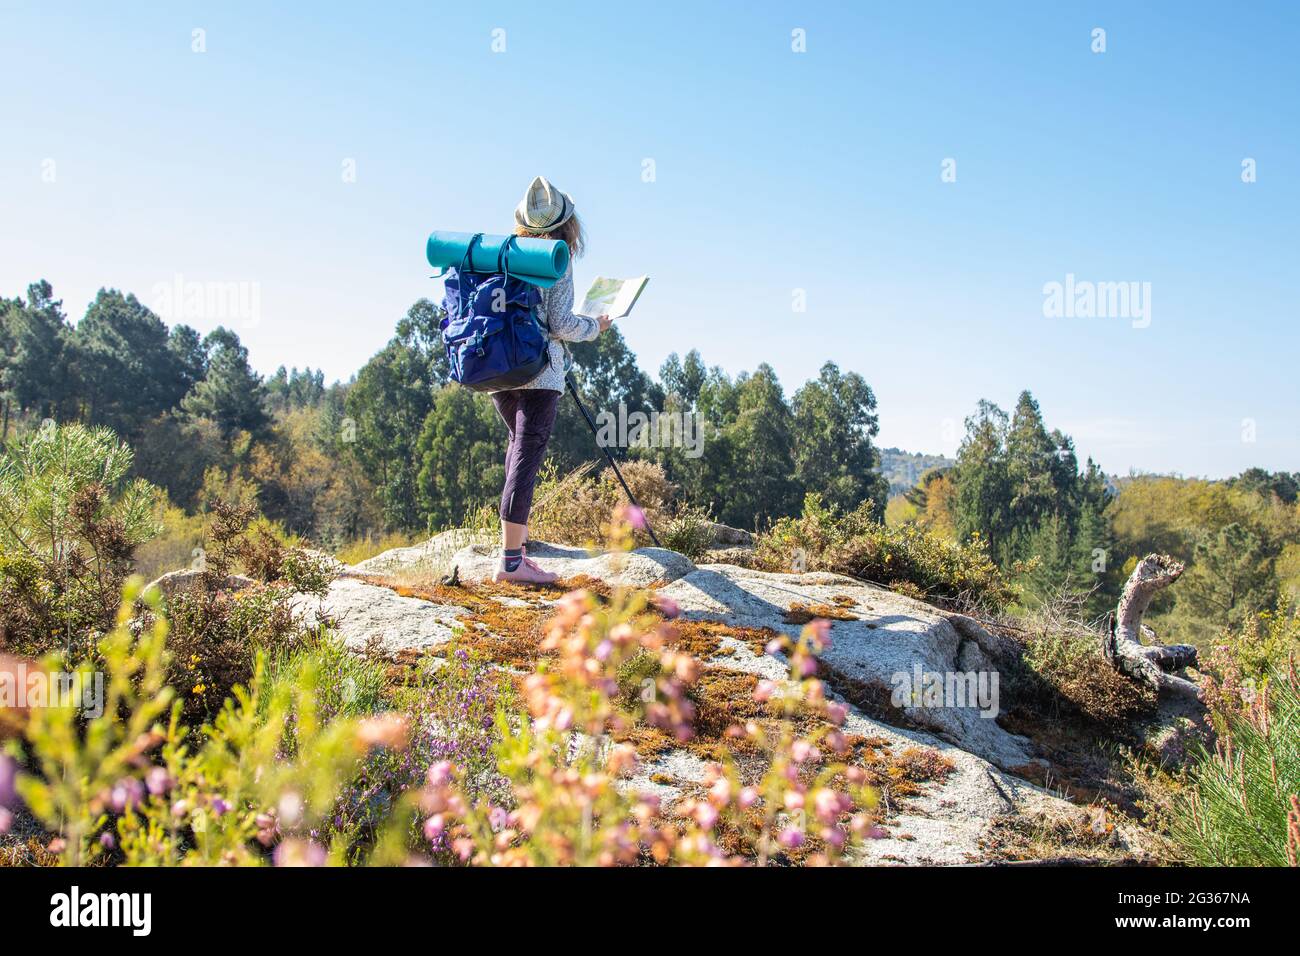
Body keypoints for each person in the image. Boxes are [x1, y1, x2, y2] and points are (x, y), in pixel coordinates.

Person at [489, 176, 611, 583]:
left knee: (516, 447)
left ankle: (514, 545)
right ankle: (511, 561)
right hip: (539, 370)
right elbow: (560, 323)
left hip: (499, 369)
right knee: (527, 453)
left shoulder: (505, 253)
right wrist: (595, 326)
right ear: (567, 224)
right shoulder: (556, 258)